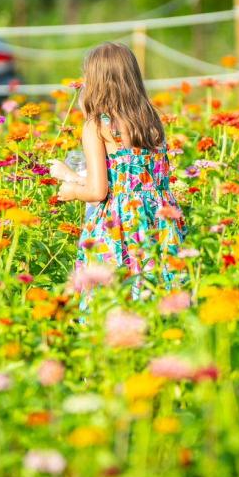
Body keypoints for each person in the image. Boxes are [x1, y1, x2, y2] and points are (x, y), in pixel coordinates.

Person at [49, 42, 188, 300]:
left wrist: (70, 191)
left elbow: (98, 191)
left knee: (114, 294)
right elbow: (132, 179)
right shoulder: (151, 120)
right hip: (160, 219)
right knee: (156, 287)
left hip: (119, 224)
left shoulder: (98, 126)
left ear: (96, 81)